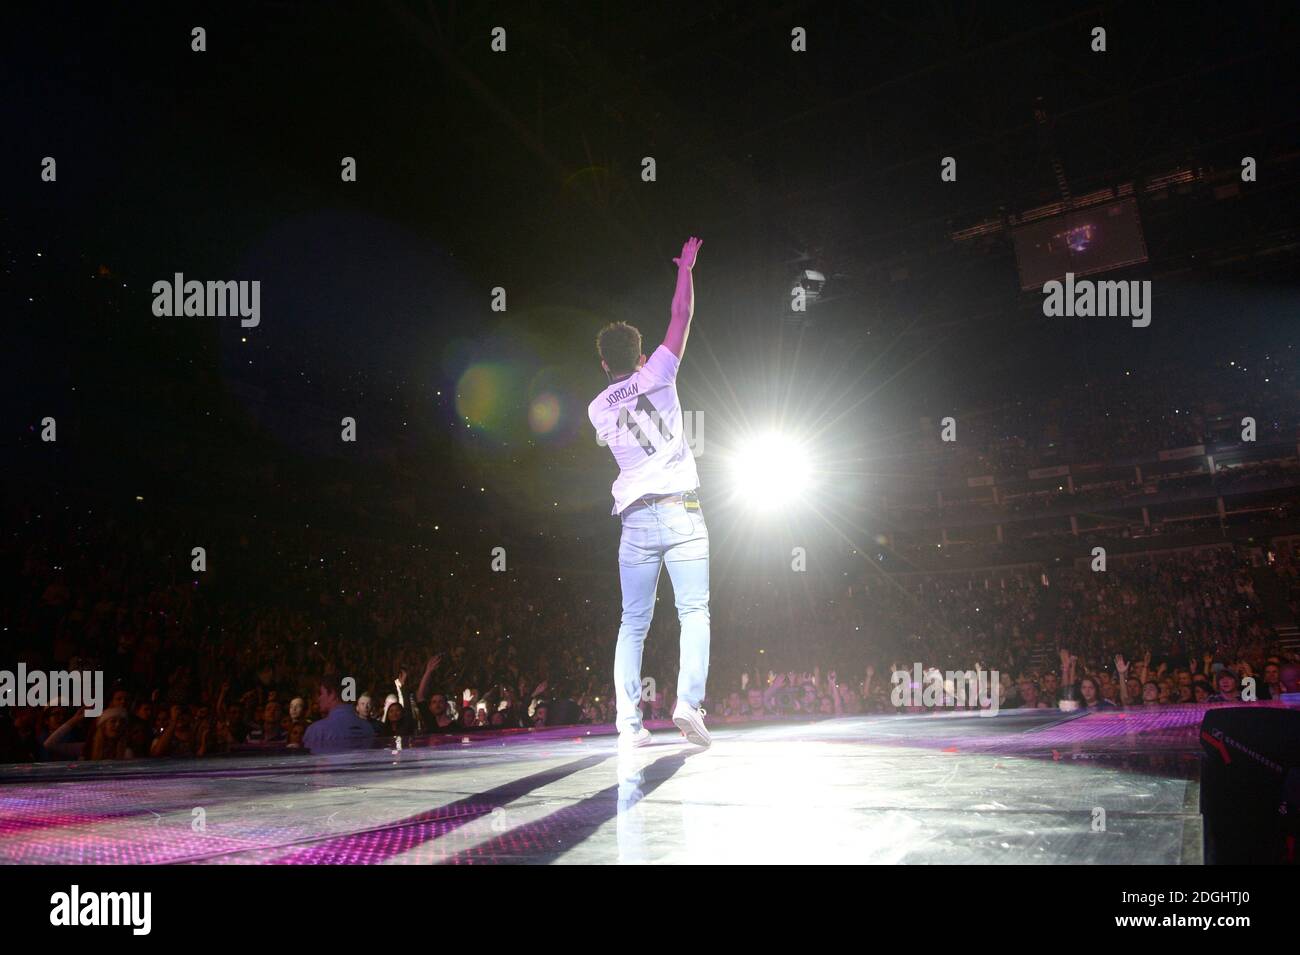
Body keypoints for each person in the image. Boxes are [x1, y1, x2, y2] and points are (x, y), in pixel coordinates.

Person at [587, 236, 711, 750]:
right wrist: (685, 267)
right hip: (681, 507)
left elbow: (615, 432)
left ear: (603, 365)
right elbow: (681, 312)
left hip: (635, 517)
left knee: (633, 622)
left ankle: (628, 725)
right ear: (640, 356)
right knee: (693, 611)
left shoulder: (595, 409)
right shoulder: (659, 371)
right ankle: (688, 703)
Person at [303, 672, 377, 754]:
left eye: (321, 693)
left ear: (333, 695)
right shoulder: (368, 729)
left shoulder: (316, 731)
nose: (318, 699)